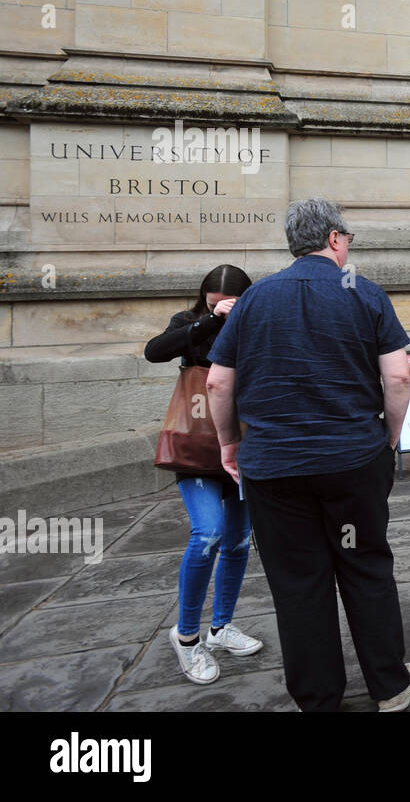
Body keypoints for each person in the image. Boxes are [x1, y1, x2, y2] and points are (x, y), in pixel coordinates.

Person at [206, 199, 410, 712]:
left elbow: (217, 382)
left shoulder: (254, 299)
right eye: (346, 239)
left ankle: (319, 697)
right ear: (333, 239)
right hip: (352, 460)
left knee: (298, 581)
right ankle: (389, 686)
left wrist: (228, 443)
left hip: (273, 466)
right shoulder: (365, 294)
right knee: (365, 566)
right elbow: (398, 377)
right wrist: (390, 439)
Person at [145, 264, 262, 686]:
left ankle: (221, 626)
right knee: (208, 533)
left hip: (243, 447)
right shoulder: (190, 322)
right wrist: (212, 320)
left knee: (236, 542)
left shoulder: (254, 322)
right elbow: (155, 351)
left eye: (230, 303)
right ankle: (188, 635)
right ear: (205, 300)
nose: (224, 309)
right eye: (214, 303)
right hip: (197, 448)